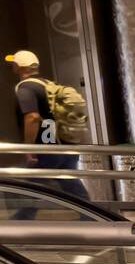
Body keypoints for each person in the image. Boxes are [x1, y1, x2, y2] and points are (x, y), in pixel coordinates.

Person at [8, 49, 91, 215]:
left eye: (13, 63)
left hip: (47, 147)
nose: (12, 66)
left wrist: (29, 148)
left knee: (32, 188)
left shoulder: (25, 88)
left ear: (19, 66)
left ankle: (22, 222)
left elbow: (32, 117)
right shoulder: (47, 85)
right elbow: (49, 119)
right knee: (69, 184)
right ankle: (91, 216)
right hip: (62, 143)